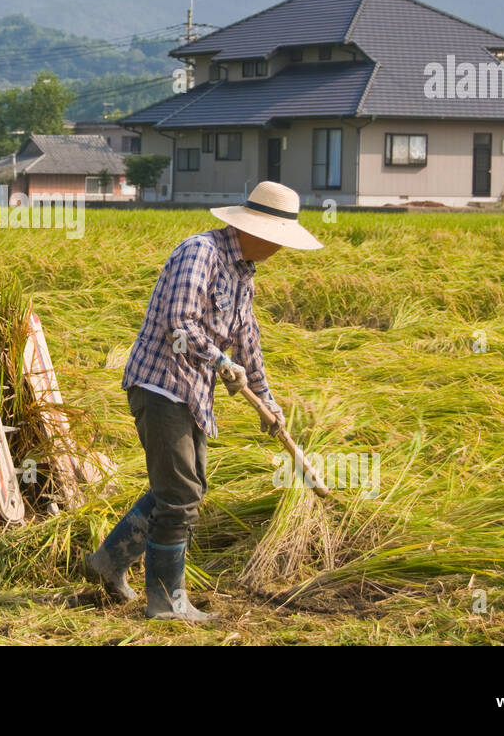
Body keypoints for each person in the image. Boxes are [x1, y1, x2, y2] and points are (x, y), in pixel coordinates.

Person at [84, 181, 324, 622]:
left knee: (181, 489)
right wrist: (219, 361)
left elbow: (248, 342)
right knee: (180, 494)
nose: (280, 251)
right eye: (280, 242)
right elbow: (179, 322)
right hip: (160, 384)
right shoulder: (201, 253)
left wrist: (267, 400)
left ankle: (109, 561)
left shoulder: (243, 273)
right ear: (261, 231)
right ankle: (166, 603)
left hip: (192, 393)